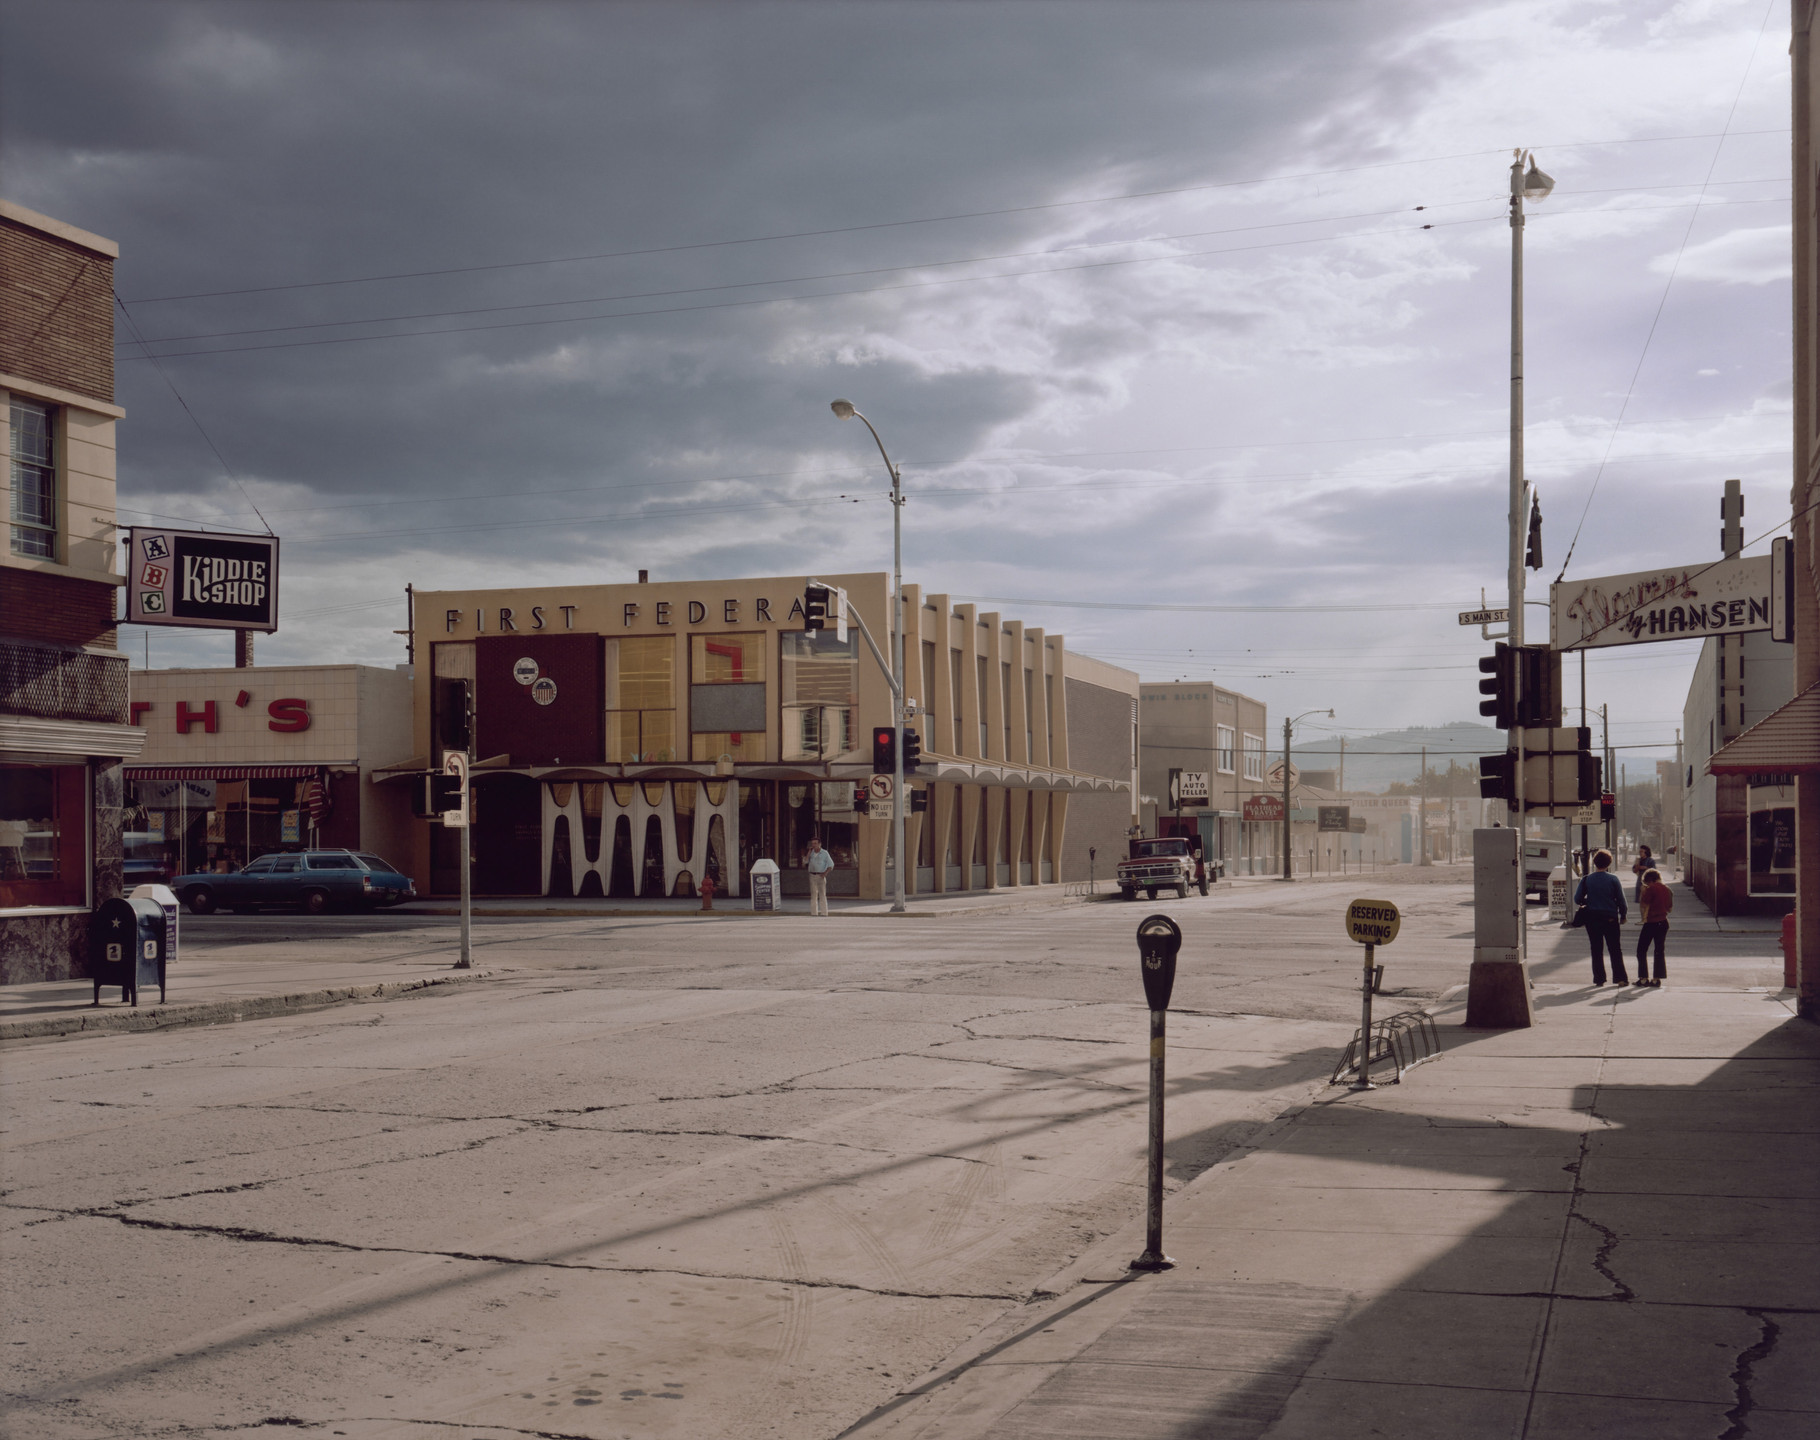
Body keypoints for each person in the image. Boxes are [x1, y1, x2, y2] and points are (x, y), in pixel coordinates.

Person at [1574, 848, 1629, 986]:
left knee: (1596, 949)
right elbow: (1622, 901)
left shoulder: (1587, 879)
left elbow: (1577, 899)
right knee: (1615, 949)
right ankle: (1620, 978)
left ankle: (1599, 979)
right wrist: (1623, 915)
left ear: (1595, 862)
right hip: (1610, 918)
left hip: (1592, 919)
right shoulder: (1613, 879)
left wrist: (1590, 901)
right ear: (1609, 863)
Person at [1635, 867, 1672, 987]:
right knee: (1659, 951)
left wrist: (1643, 891)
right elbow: (1669, 907)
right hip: (1664, 922)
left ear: (1649, 880)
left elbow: (1644, 904)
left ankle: (1643, 978)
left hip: (1651, 922)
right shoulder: (1667, 889)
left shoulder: (1650, 889)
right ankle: (1656, 979)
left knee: (1641, 950)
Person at [805, 837, 833, 917]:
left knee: (822, 894)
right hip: (812, 875)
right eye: (812, 843)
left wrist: (825, 873)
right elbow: (805, 861)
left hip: (820, 875)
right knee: (813, 895)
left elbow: (831, 865)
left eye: (815, 843)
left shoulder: (824, 853)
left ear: (819, 844)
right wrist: (809, 852)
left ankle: (824, 913)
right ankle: (814, 913)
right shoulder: (811, 853)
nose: (813, 845)